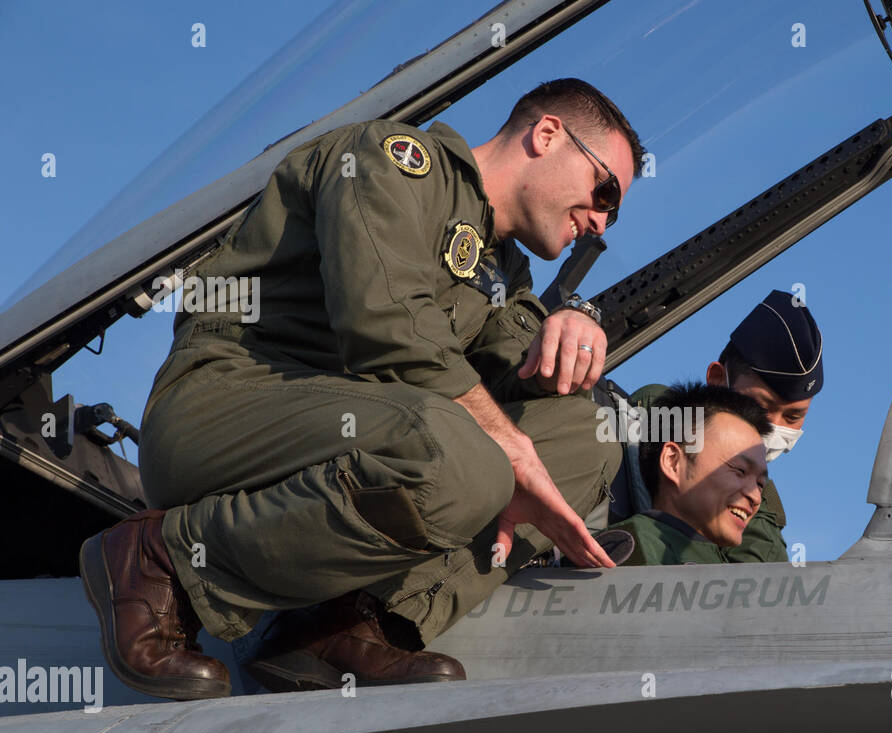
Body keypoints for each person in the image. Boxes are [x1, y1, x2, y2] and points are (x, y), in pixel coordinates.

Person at [78, 78, 644, 700]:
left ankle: (338, 624)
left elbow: (519, 382)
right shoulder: (390, 160)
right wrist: (502, 447)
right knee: (463, 456)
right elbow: (384, 323)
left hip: (357, 443)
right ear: (546, 136)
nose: (600, 222)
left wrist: (570, 327)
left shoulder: (502, 271)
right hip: (226, 410)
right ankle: (162, 557)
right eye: (604, 191)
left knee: (588, 433)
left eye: (613, 214)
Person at [617, 289, 823, 563]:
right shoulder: (659, 412)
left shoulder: (762, 497)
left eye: (793, 417)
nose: (772, 427)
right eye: (762, 407)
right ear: (717, 379)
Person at [601, 383, 771, 566]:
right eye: (740, 471)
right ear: (673, 461)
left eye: (760, 484)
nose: (755, 496)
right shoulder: (630, 551)